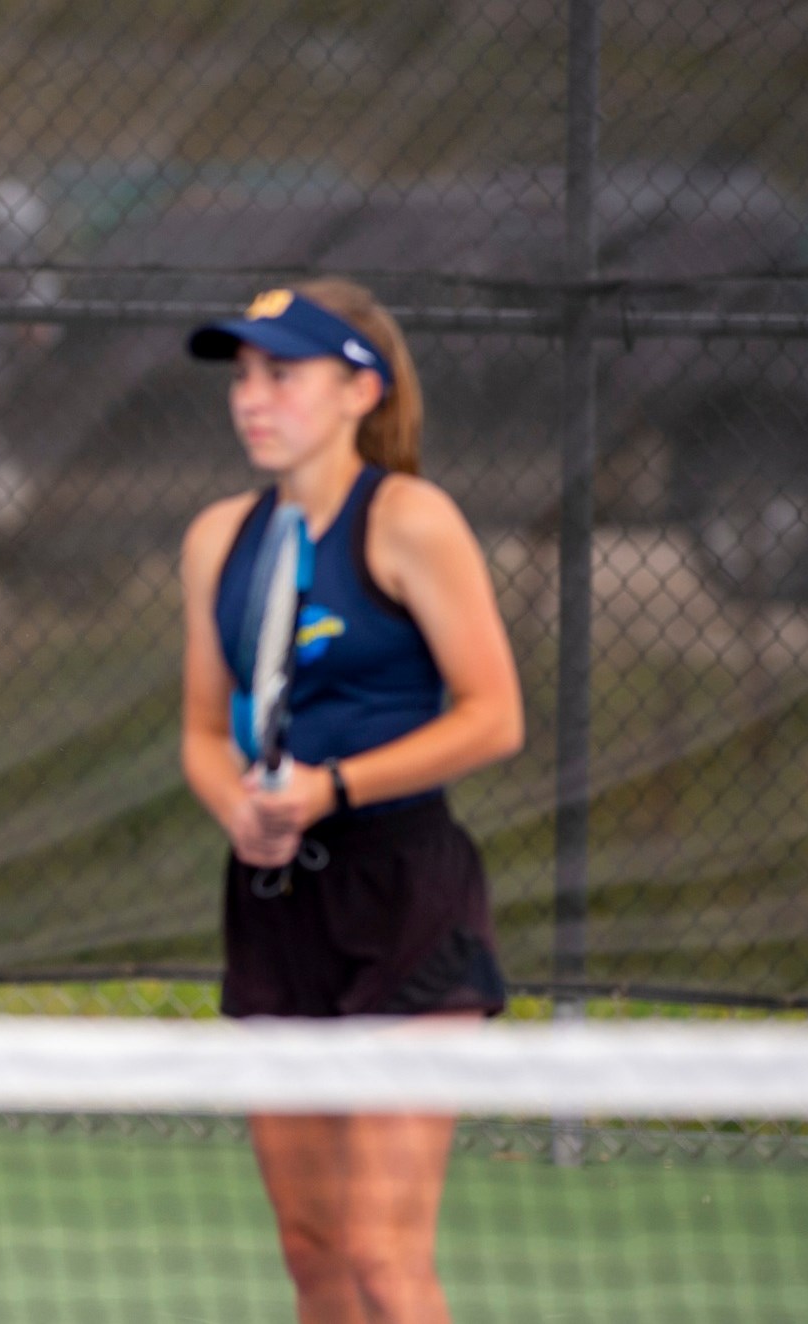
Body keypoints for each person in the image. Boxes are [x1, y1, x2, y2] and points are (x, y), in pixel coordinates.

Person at [178, 279, 523, 1324]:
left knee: (381, 1255)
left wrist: (331, 789)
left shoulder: (411, 520)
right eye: (244, 375)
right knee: (314, 1253)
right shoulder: (217, 538)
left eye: (282, 373)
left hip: (404, 894)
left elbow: (493, 716)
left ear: (357, 390)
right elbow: (203, 732)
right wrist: (238, 808)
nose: (253, 397)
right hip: (274, 909)